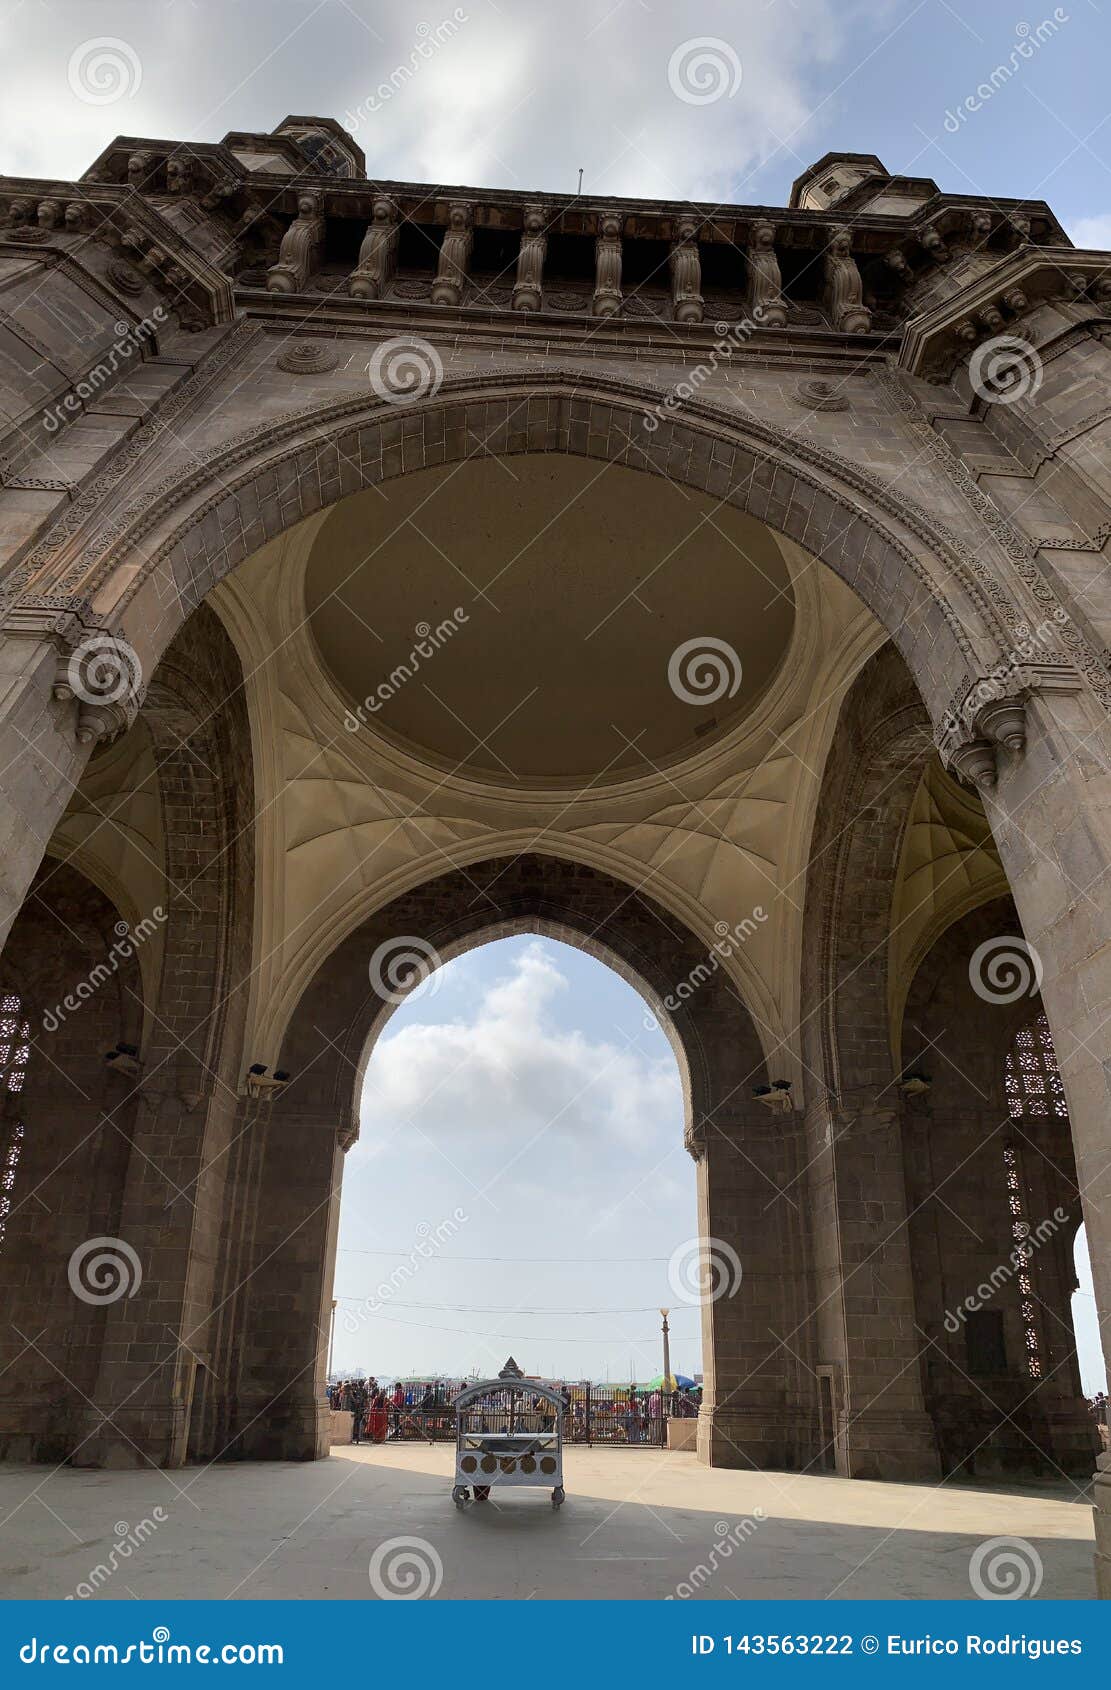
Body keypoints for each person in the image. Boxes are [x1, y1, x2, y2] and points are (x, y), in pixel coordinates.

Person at [350, 1378, 368, 1444]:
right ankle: (355, 1435)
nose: (361, 1385)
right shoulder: (357, 1391)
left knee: (359, 1422)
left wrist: (365, 1406)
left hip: (360, 1407)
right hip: (356, 1407)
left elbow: (366, 1399)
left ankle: (357, 1435)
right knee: (356, 1422)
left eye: (361, 1384)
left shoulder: (362, 1391)